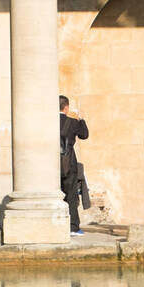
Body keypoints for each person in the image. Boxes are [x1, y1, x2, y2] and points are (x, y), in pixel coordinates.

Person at [59, 95, 88, 235]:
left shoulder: (47, 122)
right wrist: (81, 119)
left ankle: (57, 225)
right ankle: (73, 227)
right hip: (68, 162)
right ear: (66, 108)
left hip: (51, 164)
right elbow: (84, 135)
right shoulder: (72, 122)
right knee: (70, 195)